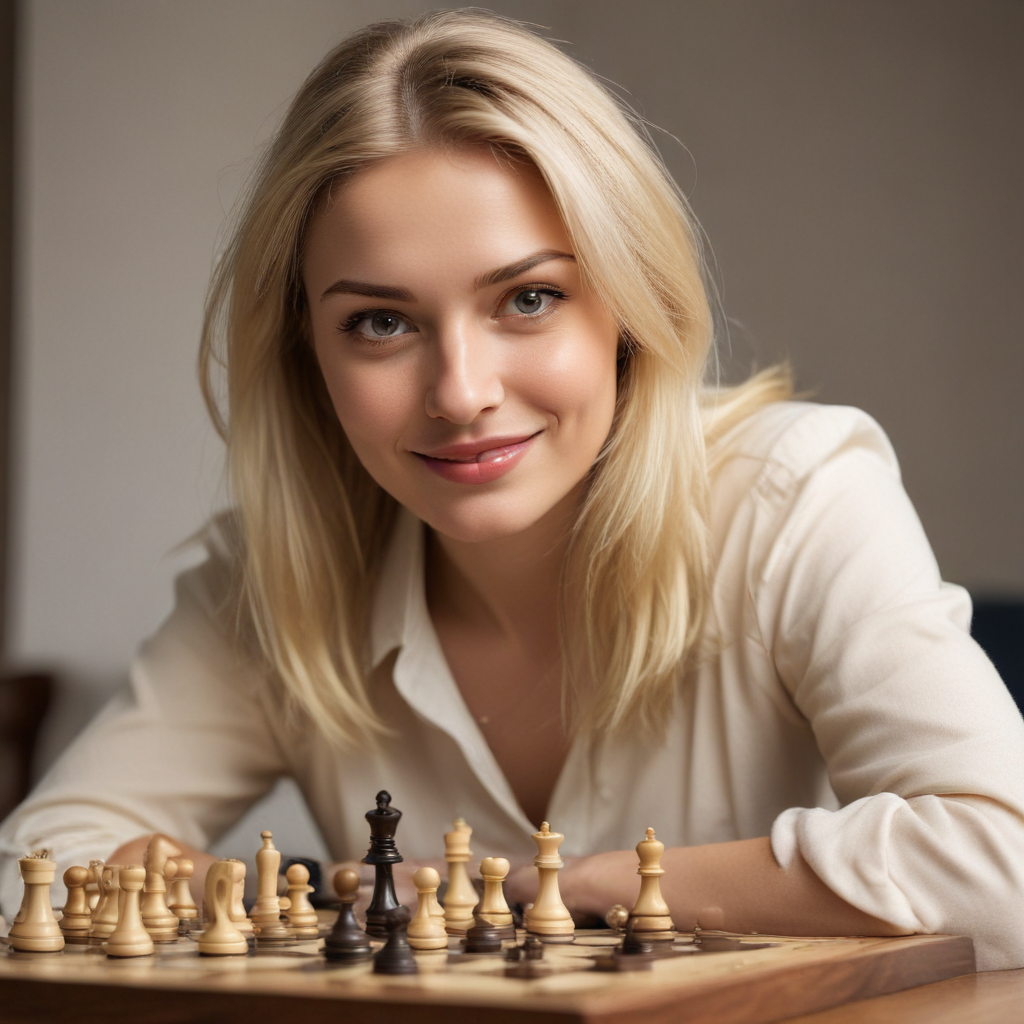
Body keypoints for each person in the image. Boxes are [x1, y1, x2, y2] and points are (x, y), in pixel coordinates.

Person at [2, 10, 1023, 970]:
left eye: (528, 299)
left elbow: (1005, 867)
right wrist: (282, 891)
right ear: (306, 351)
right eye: (380, 323)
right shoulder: (274, 573)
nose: (461, 393)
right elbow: (26, 868)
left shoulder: (794, 497)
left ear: (628, 307)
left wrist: (580, 886)